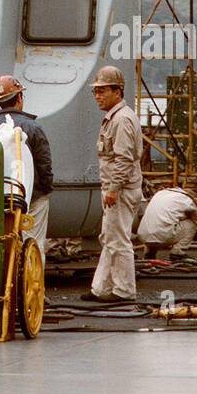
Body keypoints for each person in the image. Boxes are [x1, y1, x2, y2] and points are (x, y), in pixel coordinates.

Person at [83, 65, 143, 303]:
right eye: (95, 92)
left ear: (117, 92)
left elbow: (124, 159)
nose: (98, 96)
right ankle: (101, 288)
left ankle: (124, 291)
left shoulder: (121, 120)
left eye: (102, 91)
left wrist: (113, 189)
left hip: (121, 190)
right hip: (116, 189)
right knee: (109, 238)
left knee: (118, 240)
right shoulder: (115, 118)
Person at [0, 76, 53, 261]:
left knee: (2, 244)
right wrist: (44, 190)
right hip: (33, 198)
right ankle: (33, 287)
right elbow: (44, 164)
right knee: (33, 244)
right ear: (19, 98)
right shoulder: (33, 127)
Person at [137, 186, 197, 259]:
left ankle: (149, 253)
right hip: (163, 235)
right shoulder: (187, 198)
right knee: (192, 224)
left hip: (143, 235)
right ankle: (177, 252)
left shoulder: (160, 194)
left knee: (156, 223)